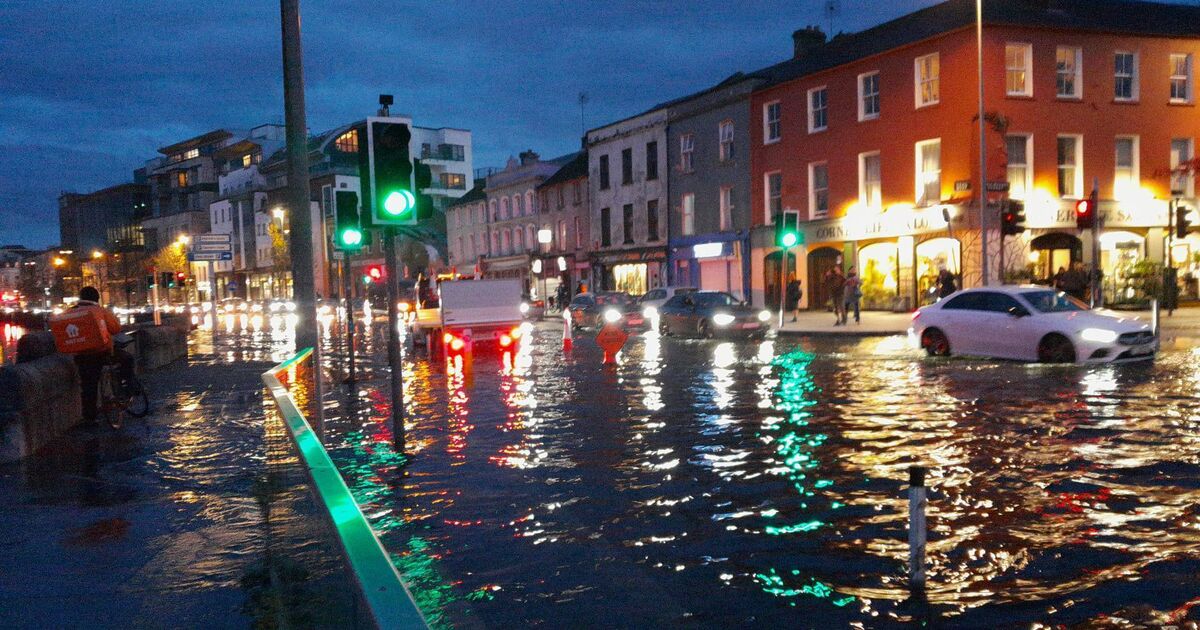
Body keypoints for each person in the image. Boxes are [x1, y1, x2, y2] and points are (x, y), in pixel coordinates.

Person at [71, 286, 135, 426]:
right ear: (97, 298)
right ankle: (127, 388)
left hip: (82, 356)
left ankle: (89, 417)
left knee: (89, 386)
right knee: (127, 359)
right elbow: (115, 328)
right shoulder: (100, 311)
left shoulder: (71, 312)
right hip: (102, 353)